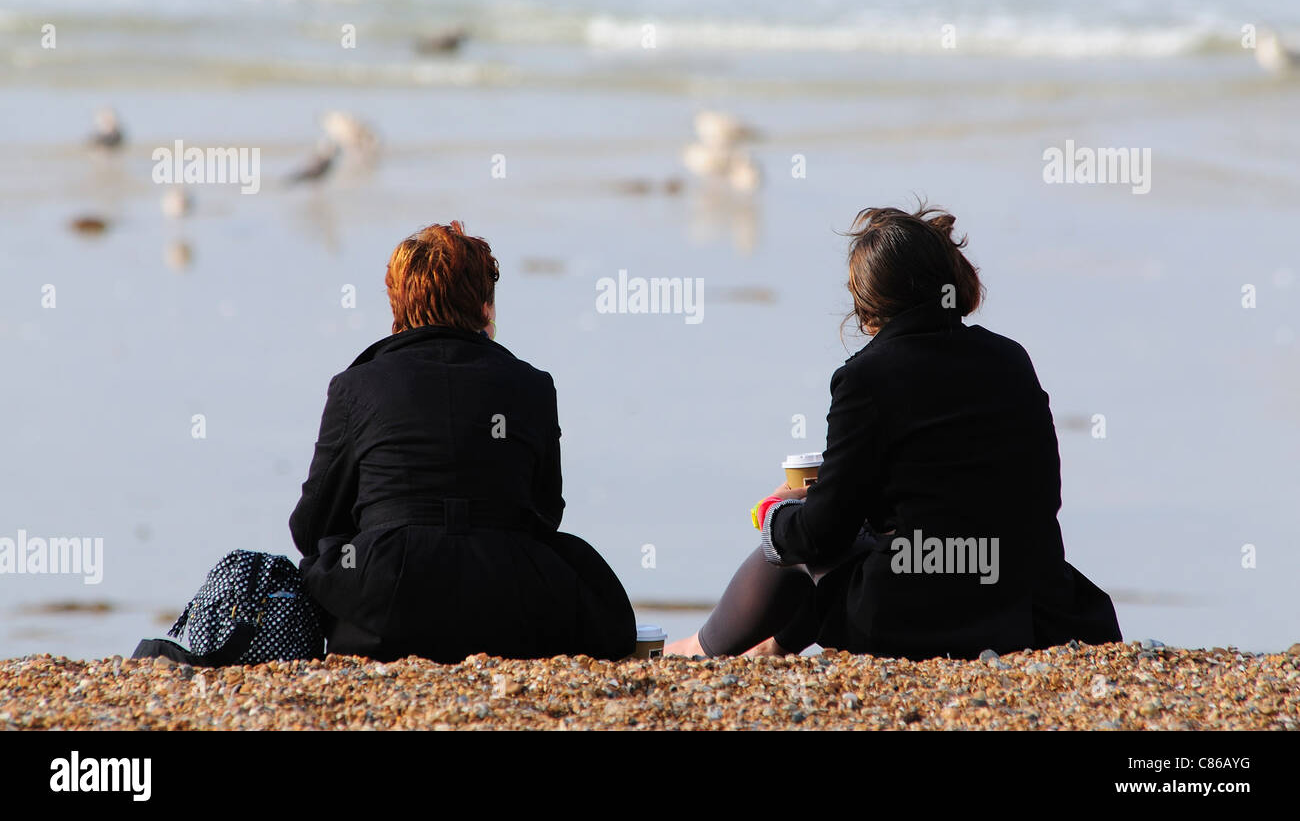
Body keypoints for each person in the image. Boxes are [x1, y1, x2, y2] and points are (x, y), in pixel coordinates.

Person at [666, 204, 1122, 660]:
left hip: (923, 611)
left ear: (867, 305)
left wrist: (773, 512)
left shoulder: (866, 377)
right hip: (1031, 605)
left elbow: (823, 535)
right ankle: (770, 646)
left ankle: (701, 649)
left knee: (796, 538)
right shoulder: (1010, 359)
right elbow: (1032, 494)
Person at [290, 221, 635, 663]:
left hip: (386, 611)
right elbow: (545, 511)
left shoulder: (357, 386)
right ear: (484, 305)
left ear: (398, 304)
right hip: (511, 608)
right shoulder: (531, 385)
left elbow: (311, 525)